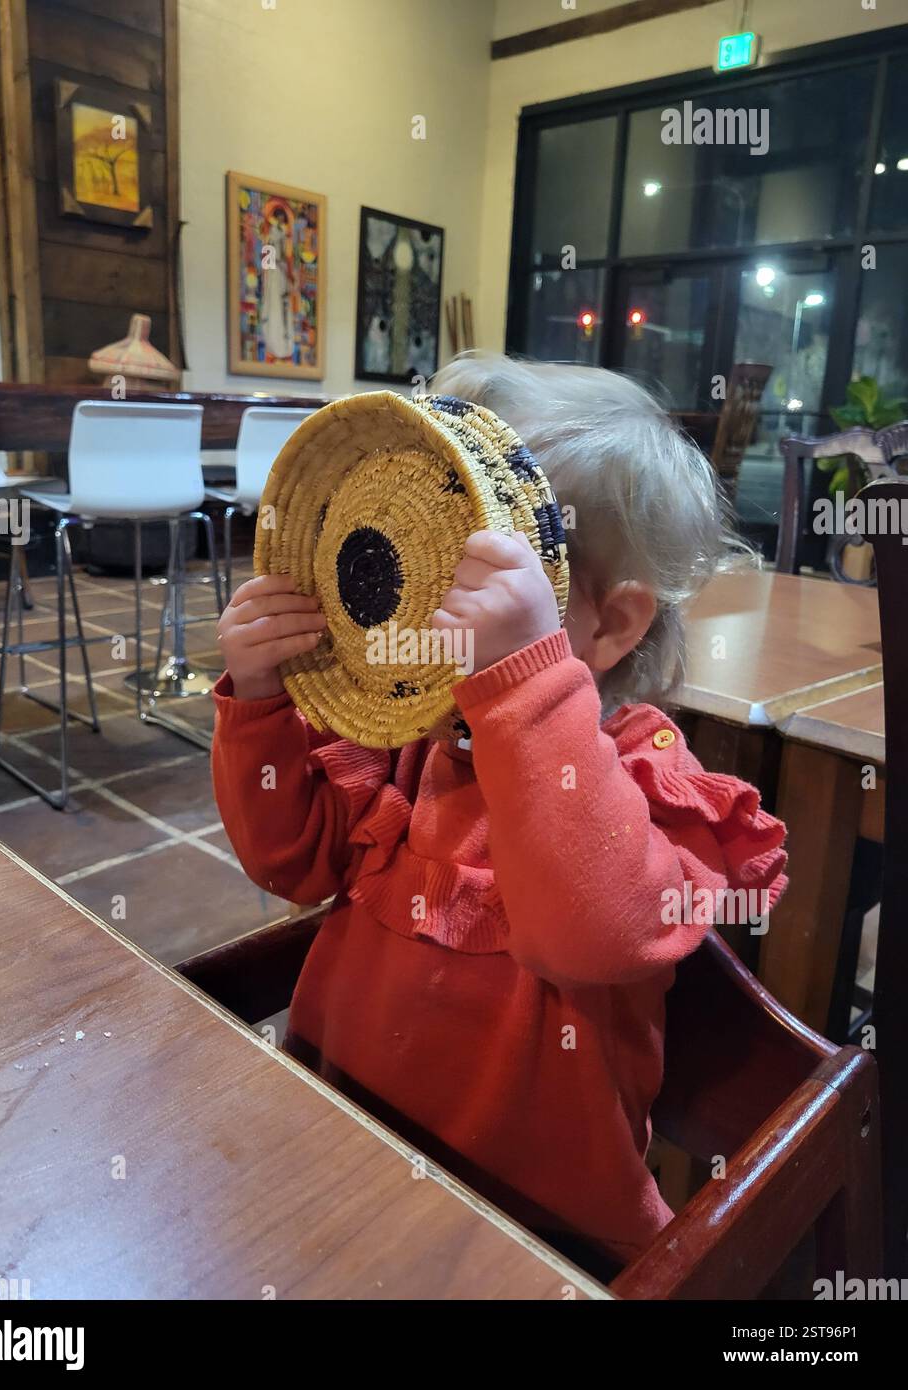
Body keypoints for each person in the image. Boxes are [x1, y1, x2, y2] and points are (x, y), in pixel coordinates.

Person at [210, 352, 788, 1272]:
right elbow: (288, 862)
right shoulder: (410, 746)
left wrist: (520, 686)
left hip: (534, 1240)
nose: (427, 605)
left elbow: (589, 935)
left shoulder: (645, 775)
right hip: (340, 1158)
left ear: (609, 626)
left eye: (481, 575)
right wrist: (259, 699)